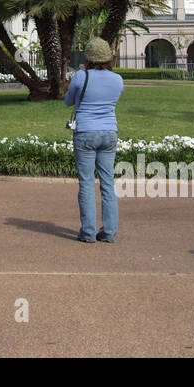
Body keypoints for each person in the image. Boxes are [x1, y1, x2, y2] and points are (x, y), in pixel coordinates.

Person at [64, 37, 124, 243]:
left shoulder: (81, 76)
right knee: (108, 182)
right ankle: (109, 231)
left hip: (86, 133)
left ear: (88, 58)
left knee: (87, 182)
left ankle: (88, 231)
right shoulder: (118, 80)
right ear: (108, 58)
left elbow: (68, 101)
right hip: (109, 132)